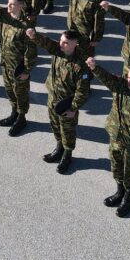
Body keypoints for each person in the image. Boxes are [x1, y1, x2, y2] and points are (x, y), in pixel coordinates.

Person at [85, 59, 130, 218]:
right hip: (116, 138)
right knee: (116, 166)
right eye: (129, 77)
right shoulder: (121, 87)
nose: (129, 81)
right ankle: (119, 192)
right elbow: (107, 78)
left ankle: (128, 198)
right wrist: (95, 67)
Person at [28, 28, 92, 173]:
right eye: (61, 41)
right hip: (52, 98)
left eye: (65, 43)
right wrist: (34, 35)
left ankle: (67, 155)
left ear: (74, 44)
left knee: (67, 131)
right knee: (55, 125)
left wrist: (73, 109)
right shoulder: (58, 51)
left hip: (67, 105)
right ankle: (59, 148)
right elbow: (46, 42)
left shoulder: (80, 65)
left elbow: (82, 91)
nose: (61, 44)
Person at [0, 0, 37, 136]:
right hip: (5, 63)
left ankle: (21, 118)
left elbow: (31, 51)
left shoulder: (26, 26)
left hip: (18, 68)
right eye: (8, 3)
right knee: (9, 90)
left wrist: (27, 70)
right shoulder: (5, 16)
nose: (9, 6)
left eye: (12, 4)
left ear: (21, 6)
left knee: (21, 93)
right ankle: (14, 112)